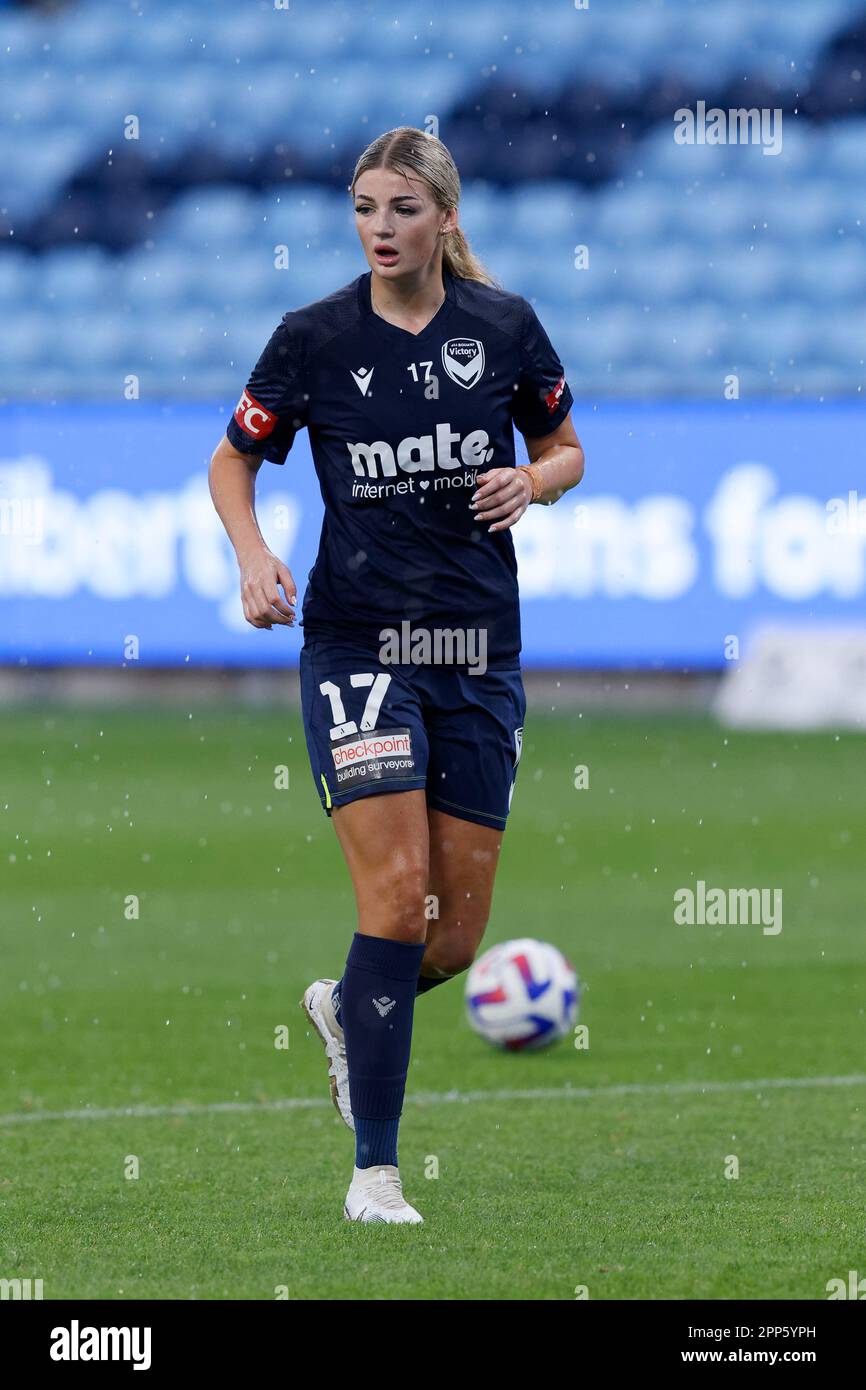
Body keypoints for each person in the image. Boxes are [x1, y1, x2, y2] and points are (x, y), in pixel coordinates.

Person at [209, 126, 584, 1224]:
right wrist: (253, 554)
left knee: (449, 937)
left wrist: (535, 482)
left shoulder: (502, 327)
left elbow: (567, 446)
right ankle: (374, 1174)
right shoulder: (312, 338)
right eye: (365, 207)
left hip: (474, 648)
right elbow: (234, 456)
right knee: (389, 892)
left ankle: (350, 1005)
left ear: (445, 218)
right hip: (357, 643)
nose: (380, 227)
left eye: (401, 209)